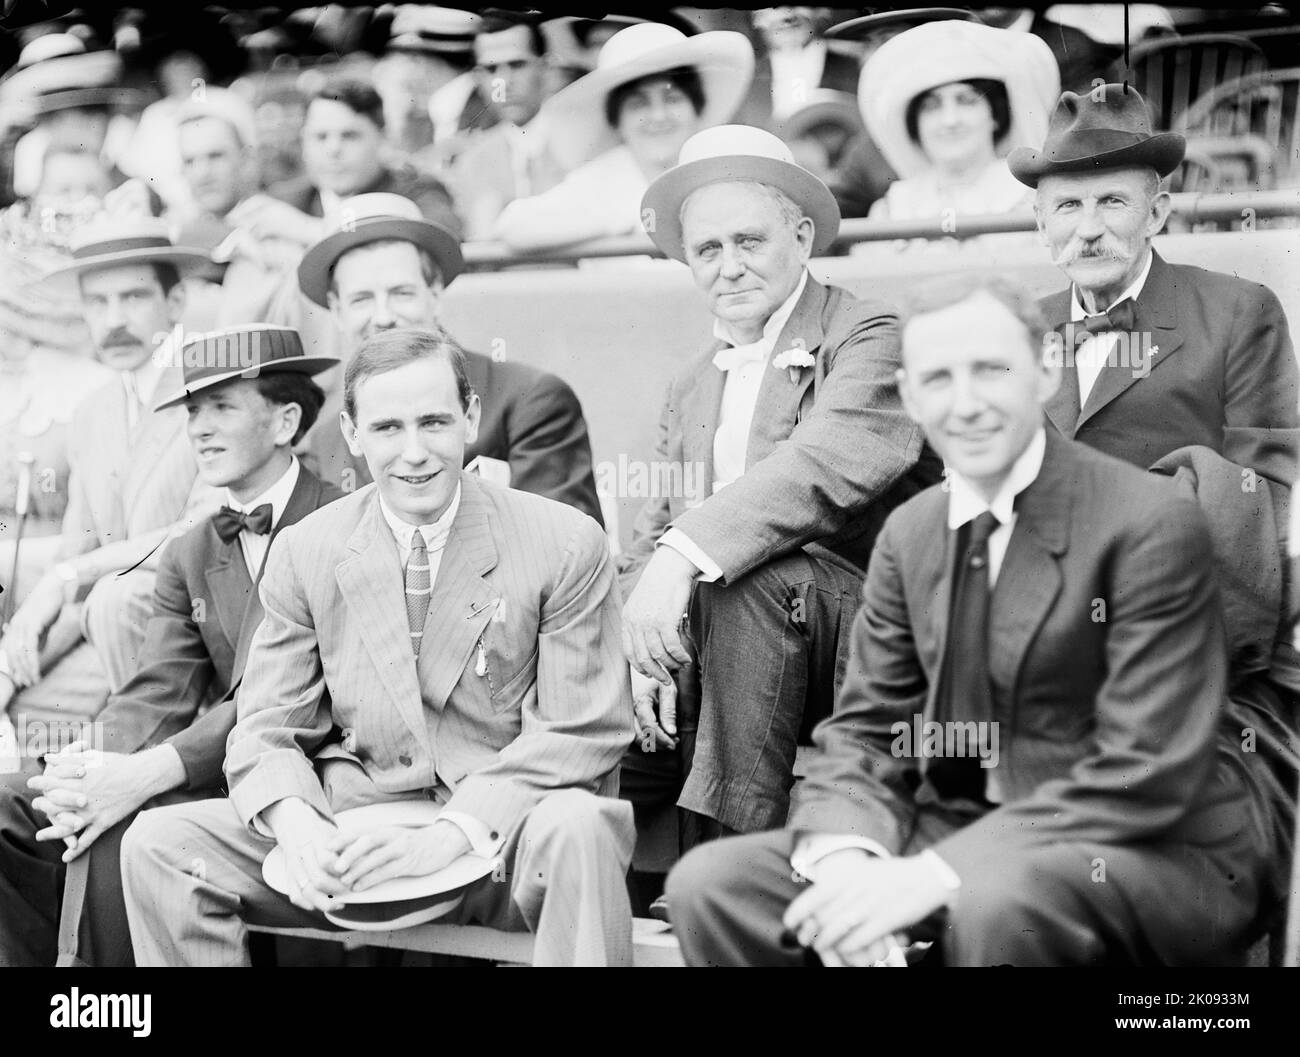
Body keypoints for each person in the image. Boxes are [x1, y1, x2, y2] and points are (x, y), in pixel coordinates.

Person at [666, 275, 1272, 966]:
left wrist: (928, 877)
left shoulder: (1148, 522)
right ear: (913, 398)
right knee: (714, 887)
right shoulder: (912, 534)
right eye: (938, 379)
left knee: (994, 900)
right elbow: (867, 731)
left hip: (1141, 842)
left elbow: (1145, 769)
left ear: (1045, 371)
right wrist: (847, 861)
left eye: (992, 370)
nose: (967, 404)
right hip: (959, 825)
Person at [119, 328, 636, 967]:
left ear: (471, 419)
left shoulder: (562, 541)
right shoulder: (309, 548)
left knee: (581, 828)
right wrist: (295, 823)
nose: (414, 453)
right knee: (161, 842)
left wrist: (452, 834)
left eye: (435, 422)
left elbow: (581, 730)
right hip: (355, 835)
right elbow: (263, 730)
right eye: (388, 428)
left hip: (501, 841)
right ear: (352, 433)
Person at [619, 124, 938, 842]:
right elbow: (650, 531)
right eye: (707, 249)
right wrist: (635, 641)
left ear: (801, 236)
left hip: (860, 628)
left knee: (745, 579)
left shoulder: (868, 332)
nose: (727, 266)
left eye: (749, 241)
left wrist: (681, 556)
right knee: (586, 672)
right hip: (720, 638)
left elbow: (830, 464)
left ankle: (731, 863)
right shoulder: (693, 380)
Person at [0, 325, 340, 967]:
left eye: (223, 407)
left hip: (299, 772)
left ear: (285, 420)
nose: (200, 429)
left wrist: (142, 775)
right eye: (192, 412)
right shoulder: (192, 546)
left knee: (122, 826)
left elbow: (293, 700)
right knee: (16, 806)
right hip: (200, 759)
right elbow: (158, 688)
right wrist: (88, 766)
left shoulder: (342, 523)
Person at [1011, 84, 1299, 489]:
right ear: (1042, 223)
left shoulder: (1240, 313)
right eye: (1069, 205)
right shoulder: (1021, 330)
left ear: (1156, 214)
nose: (1089, 230)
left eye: (1112, 201)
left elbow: (1271, 485)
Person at [0, 217, 222, 721]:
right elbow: (77, 552)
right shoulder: (93, 410)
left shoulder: (210, 392)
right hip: (103, 631)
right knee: (25, 717)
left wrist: (73, 573)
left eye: (134, 298)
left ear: (175, 303)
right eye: (98, 302)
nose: (114, 319)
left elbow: (203, 532)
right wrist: (9, 669)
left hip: (194, 636)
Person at [295, 192, 603, 524]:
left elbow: (561, 548)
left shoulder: (528, 399)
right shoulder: (326, 437)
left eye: (401, 293)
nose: (382, 317)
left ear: (435, 293)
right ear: (338, 311)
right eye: (361, 299)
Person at [493, 23, 754, 252]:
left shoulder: (721, 167)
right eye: (639, 104)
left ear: (696, 108)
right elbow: (512, 227)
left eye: (672, 99)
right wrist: (622, 217)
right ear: (616, 120)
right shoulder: (602, 178)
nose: (658, 116)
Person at [226, 79, 460, 267]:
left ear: (383, 138)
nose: (333, 150)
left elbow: (438, 242)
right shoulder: (287, 200)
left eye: (349, 136)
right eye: (320, 137)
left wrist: (308, 230)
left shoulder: (418, 192)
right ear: (303, 142)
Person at [860, 20, 1058, 226]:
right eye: (931, 107)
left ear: (995, 116)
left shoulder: (1031, 197)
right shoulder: (893, 208)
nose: (950, 120)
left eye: (967, 102)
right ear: (915, 125)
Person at [448, 16, 565, 240]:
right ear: (479, 79)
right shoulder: (472, 161)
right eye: (492, 70)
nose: (504, 82)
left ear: (547, 68)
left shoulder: (583, 138)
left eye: (517, 65)